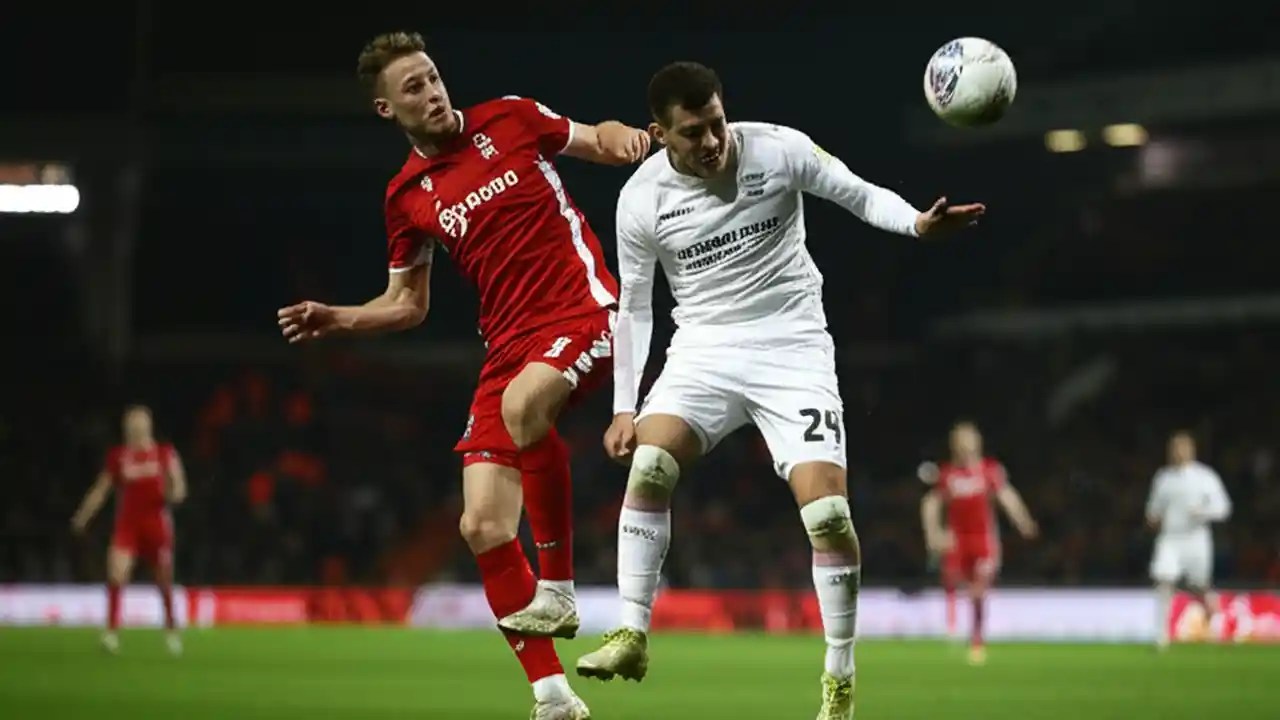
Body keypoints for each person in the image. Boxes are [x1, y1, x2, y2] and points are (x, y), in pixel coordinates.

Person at [567, 60, 983, 719]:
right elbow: (635, 309)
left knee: (828, 516)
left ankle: (839, 678)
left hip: (792, 345)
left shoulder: (778, 148)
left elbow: (857, 191)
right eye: (692, 133)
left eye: (716, 123)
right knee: (649, 464)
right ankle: (631, 632)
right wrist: (625, 406)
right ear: (660, 134)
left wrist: (916, 224)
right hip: (703, 348)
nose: (711, 141)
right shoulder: (641, 199)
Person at [276, 31, 649, 719]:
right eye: (413, 87)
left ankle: (559, 586)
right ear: (389, 109)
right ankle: (552, 697)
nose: (432, 92)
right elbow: (406, 304)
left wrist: (628, 138)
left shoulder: (509, 116)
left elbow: (594, 136)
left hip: (582, 311)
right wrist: (338, 316)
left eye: (434, 76)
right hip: (505, 346)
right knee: (480, 523)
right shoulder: (406, 196)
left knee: (524, 404)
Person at [71, 405, 187, 656]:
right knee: (116, 574)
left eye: (138, 425)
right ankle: (111, 634)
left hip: (156, 526)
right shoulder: (118, 457)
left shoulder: (164, 454)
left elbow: (179, 490)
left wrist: (172, 491)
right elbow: (101, 489)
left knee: (163, 582)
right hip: (128, 526)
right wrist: (83, 515)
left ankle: (171, 631)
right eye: (130, 426)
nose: (133, 430)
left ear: (147, 427)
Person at [920, 421, 1037, 664]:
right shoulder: (948, 475)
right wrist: (934, 533)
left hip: (984, 541)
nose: (966, 449)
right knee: (953, 580)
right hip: (958, 542)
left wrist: (1023, 520)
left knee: (978, 591)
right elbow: (931, 504)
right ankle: (952, 625)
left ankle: (976, 639)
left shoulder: (989, 471)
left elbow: (1007, 496)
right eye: (961, 444)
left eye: (969, 444)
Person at [1145, 430, 1231, 651]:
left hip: (1196, 539)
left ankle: (1215, 616)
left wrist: (1203, 512)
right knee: (1163, 580)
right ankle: (1161, 636)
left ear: (1191, 450)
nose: (1178, 452)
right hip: (1170, 539)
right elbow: (1153, 511)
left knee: (1198, 586)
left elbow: (1224, 508)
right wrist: (1152, 519)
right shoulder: (1163, 478)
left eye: (1182, 448)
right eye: (1174, 448)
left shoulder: (1205, 476)